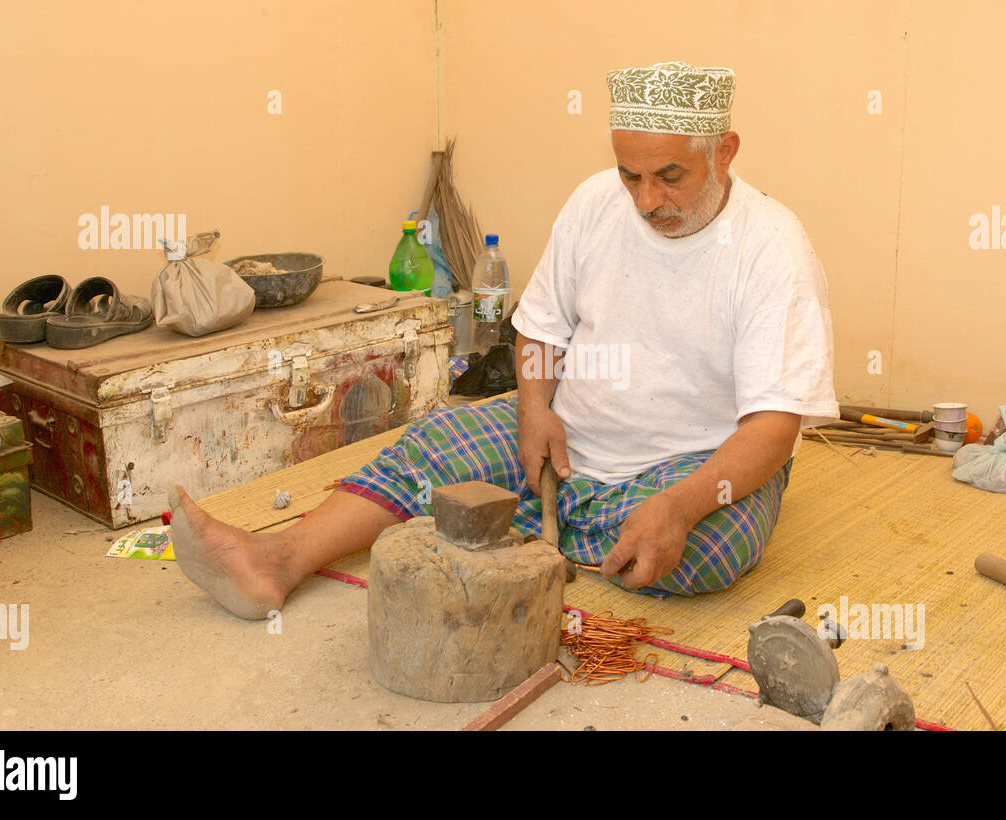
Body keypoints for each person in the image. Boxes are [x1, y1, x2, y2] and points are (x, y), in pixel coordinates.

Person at [168, 61, 838, 620]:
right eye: (629, 174)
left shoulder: (772, 248)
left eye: (669, 176)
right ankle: (277, 558)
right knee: (432, 442)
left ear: (724, 151)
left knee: (708, 547)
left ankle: (517, 519)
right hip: (577, 436)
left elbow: (772, 427)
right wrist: (536, 410)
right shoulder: (593, 204)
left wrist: (679, 505)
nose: (643, 200)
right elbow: (540, 330)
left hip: (695, 464)